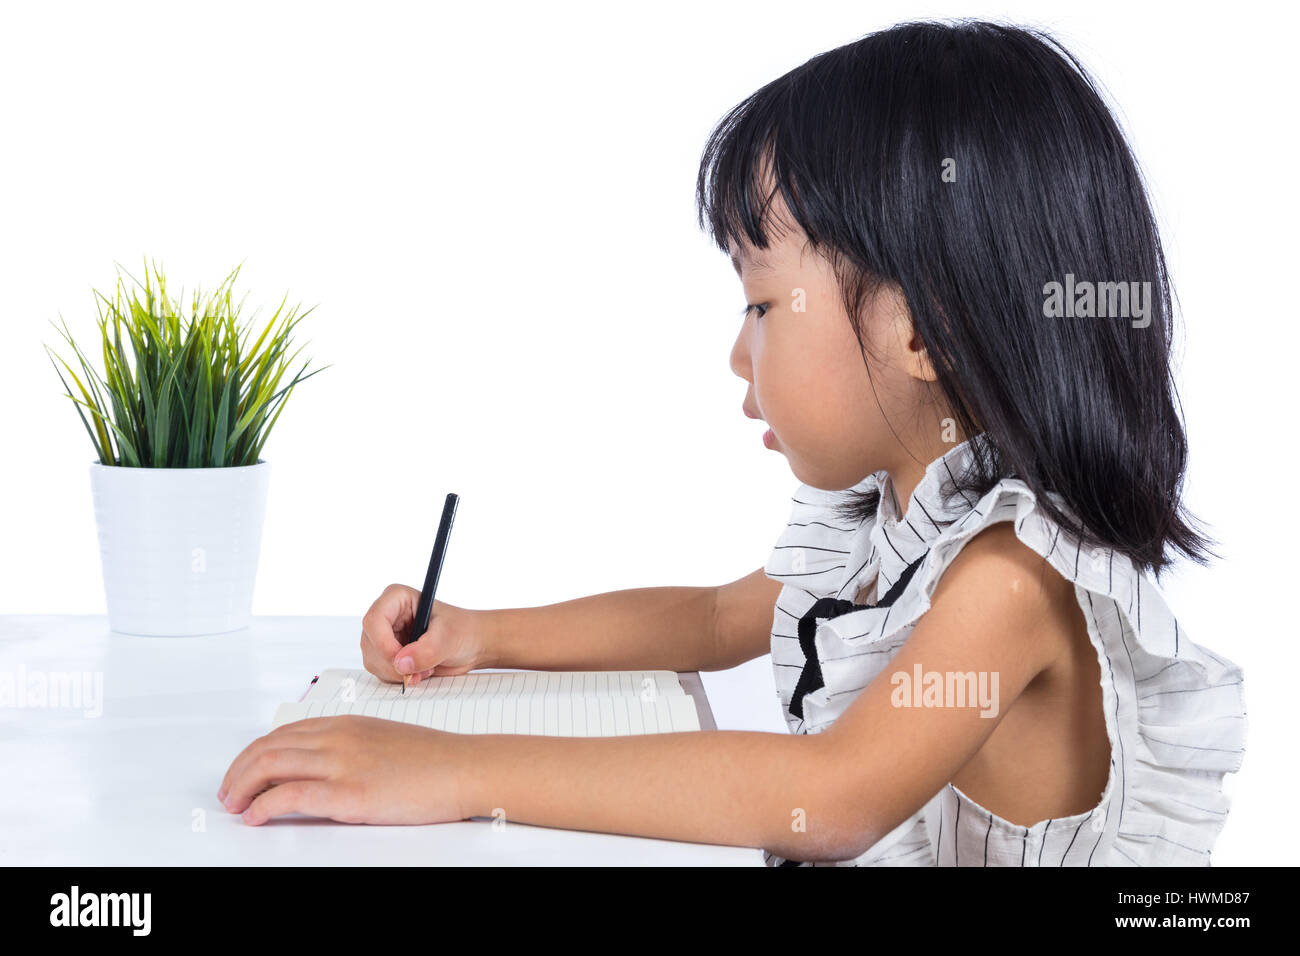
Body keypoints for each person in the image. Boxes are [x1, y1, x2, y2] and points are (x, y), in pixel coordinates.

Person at [219, 18, 1246, 865]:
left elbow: (829, 794)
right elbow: (718, 616)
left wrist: (445, 769)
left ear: (925, 329)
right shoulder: (901, 520)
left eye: (762, 304)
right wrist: (482, 635)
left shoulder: (1012, 576)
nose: (736, 353)